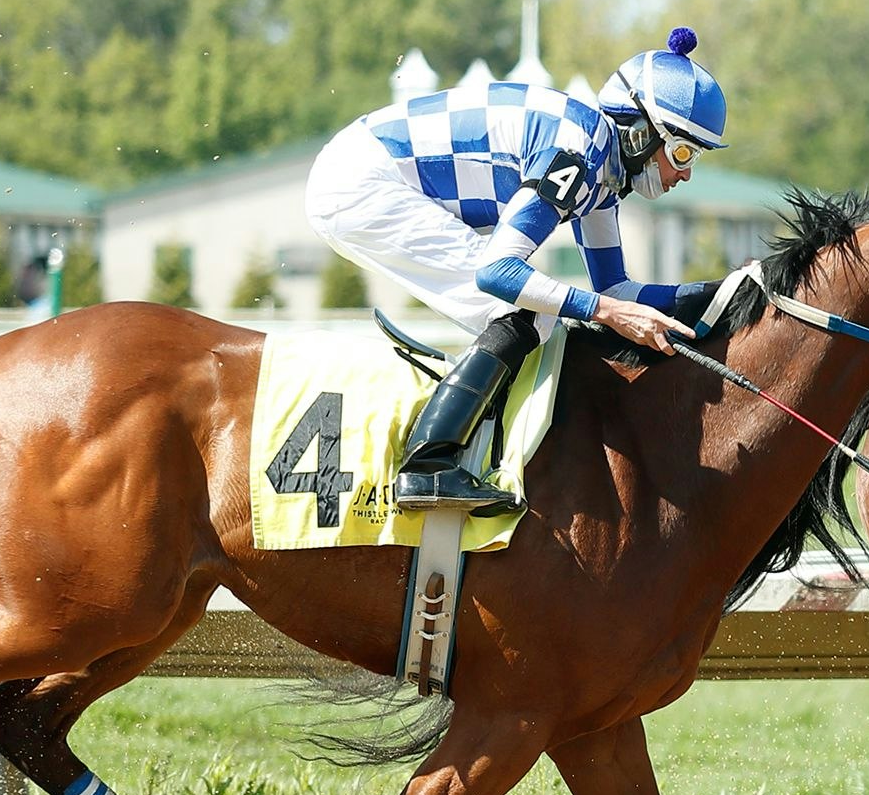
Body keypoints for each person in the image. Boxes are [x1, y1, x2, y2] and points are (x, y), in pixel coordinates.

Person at [305, 27, 726, 513]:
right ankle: (427, 466)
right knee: (527, 309)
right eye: (681, 152)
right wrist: (608, 312)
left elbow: (618, 288)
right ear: (640, 134)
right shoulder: (579, 152)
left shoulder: (604, 170)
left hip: (360, 174)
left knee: (537, 310)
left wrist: (727, 290)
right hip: (359, 182)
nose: (687, 172)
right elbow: (499, 273)